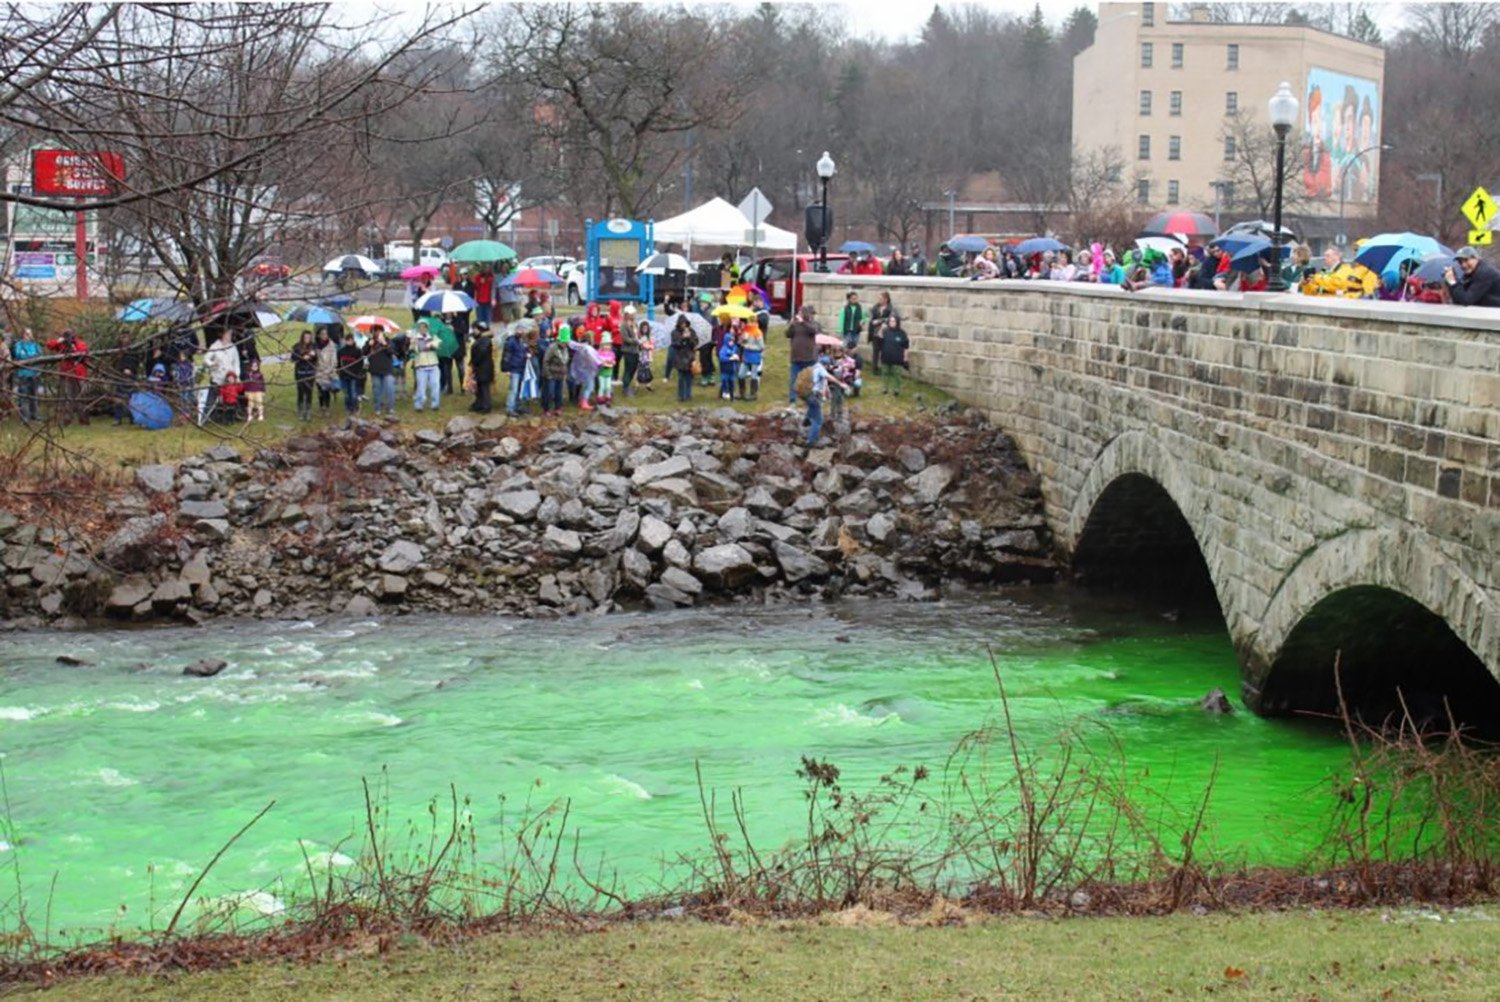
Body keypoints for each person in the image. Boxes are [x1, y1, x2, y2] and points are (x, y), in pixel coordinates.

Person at [797, 348, 848, 448]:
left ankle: (805, 423)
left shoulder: (812, 367)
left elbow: (822, 383)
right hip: (813, 395)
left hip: (805, 393)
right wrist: (841, 384)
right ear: (826, 364)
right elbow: (829, 377)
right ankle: (811, 442)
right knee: (818, 420)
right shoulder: (821, 369)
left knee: (813, 409)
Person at [47, 328, 90, 425]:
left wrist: (73, 346)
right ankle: (67, 419)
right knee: (68, 397)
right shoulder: (62, 345)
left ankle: (83, 418)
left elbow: (84, 353)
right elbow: (49, 345)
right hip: (67, 374)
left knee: (81, 397)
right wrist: (60, 340)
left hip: (79, 375)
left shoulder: (80, 344)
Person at [201, 328, 239, 424]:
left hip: (230, 378)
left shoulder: (233, 347)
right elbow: (206, 359)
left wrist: (236, 376)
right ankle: (206, 418)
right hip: (218, 377)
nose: (230, 336)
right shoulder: (215, 346)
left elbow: (236, 363)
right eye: (229, 334)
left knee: (230, 398)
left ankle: (230, 417)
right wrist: (212, 364)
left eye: (231, 334)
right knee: (213, 398)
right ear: (223, 335)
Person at [786, 305, 819, 403]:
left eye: (801, 312)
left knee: (809, 380)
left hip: (808, 358)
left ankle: (810, 399)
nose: (799, 314)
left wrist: (803, 322)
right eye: (799, 312)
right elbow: (787, 334)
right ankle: (792, 400)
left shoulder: (812, 324)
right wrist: (792, 324)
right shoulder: (796, 324)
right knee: (793, 380)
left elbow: (813, 331)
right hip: (796, 357)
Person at [10, 328, 41, 424]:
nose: (28, 336)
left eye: (30, 334)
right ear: (23, 335)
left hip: (34, 373)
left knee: (34, 395)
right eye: (27, 334)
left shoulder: (35, 345)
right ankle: (25, 417)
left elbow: (39, 355)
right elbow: (19, 355)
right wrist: (31, 356)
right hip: (23, 374)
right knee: (23, 396)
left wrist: (31, 356)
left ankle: (34, 415)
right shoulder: (19, 345)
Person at [410, 320, 441, 412]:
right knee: (421, 387)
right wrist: (414, 343)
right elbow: (413, 349)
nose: (422, 329)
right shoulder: (415, 338)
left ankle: (435, 404)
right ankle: (419, 405)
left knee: (435, 385)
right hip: (421, 366)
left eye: (424, 327)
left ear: (427, 328)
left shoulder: (433, 336)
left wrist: (432, 344)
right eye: (420, 327)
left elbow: (437, 345)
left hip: (433, 364)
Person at [500, 322, 530, 416]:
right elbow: (506, 356)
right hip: (513, 368)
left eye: (522, 330)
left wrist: (527, 355)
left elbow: (523, 352)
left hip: (522, 367)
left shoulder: (522, 341)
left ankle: (519, 406)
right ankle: (510, 408)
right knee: (513, 389)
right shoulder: (511, 341)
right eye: (519, 330)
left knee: (520, 389)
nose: (521, 332)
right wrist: (506, 369)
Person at [366, 330, 397, 418]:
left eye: (379, 331)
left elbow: (392, 352)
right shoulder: (370, 341)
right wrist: (369, 345)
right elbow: (363, 353)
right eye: (376, 331)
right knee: (377, 390)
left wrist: (384, 343)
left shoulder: (388, 341)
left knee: (390, 388)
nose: (377, 333)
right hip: (375, 370)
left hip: (387, 370)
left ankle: (391, 408)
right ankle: (378, 408)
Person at [336, 332, 366, 416]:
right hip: (343, 376)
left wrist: (358, 373)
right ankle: (348, 408)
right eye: (348, 340)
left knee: (353, 393)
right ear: (345, 341)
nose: (349, 342)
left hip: (353, 376)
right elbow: (338, 363)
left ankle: (355, 408)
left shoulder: (358, 351)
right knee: (346, 394)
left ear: (353, 340)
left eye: (351, 340)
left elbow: (361, 364)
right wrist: (338, 370)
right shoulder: (341, 351)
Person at [540, 329, 569, 416]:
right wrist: (548, 374)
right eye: (564, 342)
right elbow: (545, 361)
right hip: (551, 374)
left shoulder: (565, 349)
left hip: (560, 375)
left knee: (558, 393)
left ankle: (558, 408)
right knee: (549, 392)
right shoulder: (552, 348)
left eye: (566, 342)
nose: (565, 344)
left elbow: (565, 361)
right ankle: (546, 409)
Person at [667, 317, 696, 403]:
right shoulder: (675, 332)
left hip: (689, 356)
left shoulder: (691, 331)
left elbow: (694, 343)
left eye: (685, 323)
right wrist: (683, 338)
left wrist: (689, 338)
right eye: (682, 323)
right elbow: (674, 344)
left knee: (689, 377)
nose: (683, 325)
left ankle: (688, 394)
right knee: (681, 377)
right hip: (680, 357)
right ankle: (681, 395)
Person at [880, 313, 911, 395]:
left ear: (897, 322)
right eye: (890, 321)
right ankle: (885, 388)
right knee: (885, 373)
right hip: (886, 356)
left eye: (893, 321)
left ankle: (896, 389)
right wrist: (881, 329)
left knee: (897, 374)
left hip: (897, 358)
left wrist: (905, 358)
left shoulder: (902, 333)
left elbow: (906, 347)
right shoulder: (886, 331)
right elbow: (879, 338)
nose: (891, 323)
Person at [468, 322, 495, 413]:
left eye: (475, 329)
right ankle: (479, 404)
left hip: (484, 368)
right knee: (479, 387)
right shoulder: (481, 339)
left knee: (484, 387)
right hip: (482, 367)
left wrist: (473, 362)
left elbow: (481, 353)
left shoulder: (484, 340)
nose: (473, 331)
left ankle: (486, 406)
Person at [291, 331, 317, 421]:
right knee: (301, 392)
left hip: (310, 372)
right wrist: (302, 357)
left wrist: (314, 355)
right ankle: (300, 411)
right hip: (300, 372)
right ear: (302, 337)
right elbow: (292, 358)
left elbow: (316, 359)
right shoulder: (297, 347)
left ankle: (308, 411)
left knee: (309, 392)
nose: (307, 339)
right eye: (305, 337)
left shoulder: (313, 346)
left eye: (309, 337)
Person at [868, 291, 894, 376]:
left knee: (885, 351)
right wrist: (874, 322)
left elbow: (891, 319)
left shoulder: (890, 308)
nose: (879, 300)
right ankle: (874, 369)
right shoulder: (875, 308)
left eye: (881, 298)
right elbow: (871, 320)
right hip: (875, 332)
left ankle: (885, 370)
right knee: (876, 351)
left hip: (885, 333)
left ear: (886, 299)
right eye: (879, 298)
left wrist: (880, 321)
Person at [737, 319, 764, 401]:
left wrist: (749, 346)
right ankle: (742, 393)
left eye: (751, 322)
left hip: (754, 356)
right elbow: (741, 343)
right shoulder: (745, 331)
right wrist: (741, 340)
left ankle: (753, 394)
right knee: (741, 374)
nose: (749, 324)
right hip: (746, 356)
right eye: (749, 322)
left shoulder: (758, 332)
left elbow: (761, 346)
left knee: (753, 374)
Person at [314, 328, 338, 416]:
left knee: (326, 390)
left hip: (328, 372)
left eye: (326, 334)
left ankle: (327, 407)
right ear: (319, 335)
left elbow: (334, 361)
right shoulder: (316, 346)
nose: (324, 336)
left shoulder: (332, 346)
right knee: (320, 391)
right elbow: (314, 360)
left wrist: (329, 370)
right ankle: (321, 407)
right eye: (322, 334)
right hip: (319, 371)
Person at [618, 319, 641, 396]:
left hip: (636, 351)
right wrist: (636, 341)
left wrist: (641, 340)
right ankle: (626, 388)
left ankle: (627, 385)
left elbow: (639, 336)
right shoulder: (624, 325)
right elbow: (625, 339)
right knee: (628, 369)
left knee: (633, 369)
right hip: (628, 351)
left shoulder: (636, 325)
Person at [717, 323, 740, 401]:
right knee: (724, 382)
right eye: (730, 341)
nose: (732, 342)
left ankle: (732, 396)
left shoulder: (735, 348)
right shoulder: (723, 349)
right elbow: (722, 357)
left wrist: (737, 357)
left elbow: (737, 355)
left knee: (732, 383)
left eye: (732, 341)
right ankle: (722, 393)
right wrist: (730, 358)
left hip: (732, 370)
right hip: (725, 369)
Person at [173, 350, 195, 423]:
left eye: (183, 356)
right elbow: (176, 374)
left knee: (187, 399)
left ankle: (187, 414)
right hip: (180, 385)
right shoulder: (177, 365)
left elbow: (191, 375)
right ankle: (182, 414)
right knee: (182, 400)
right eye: (180, 356)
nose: (181, 357)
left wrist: (191, 384)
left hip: (187, 385)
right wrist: (177, 382)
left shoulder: (189, 365)